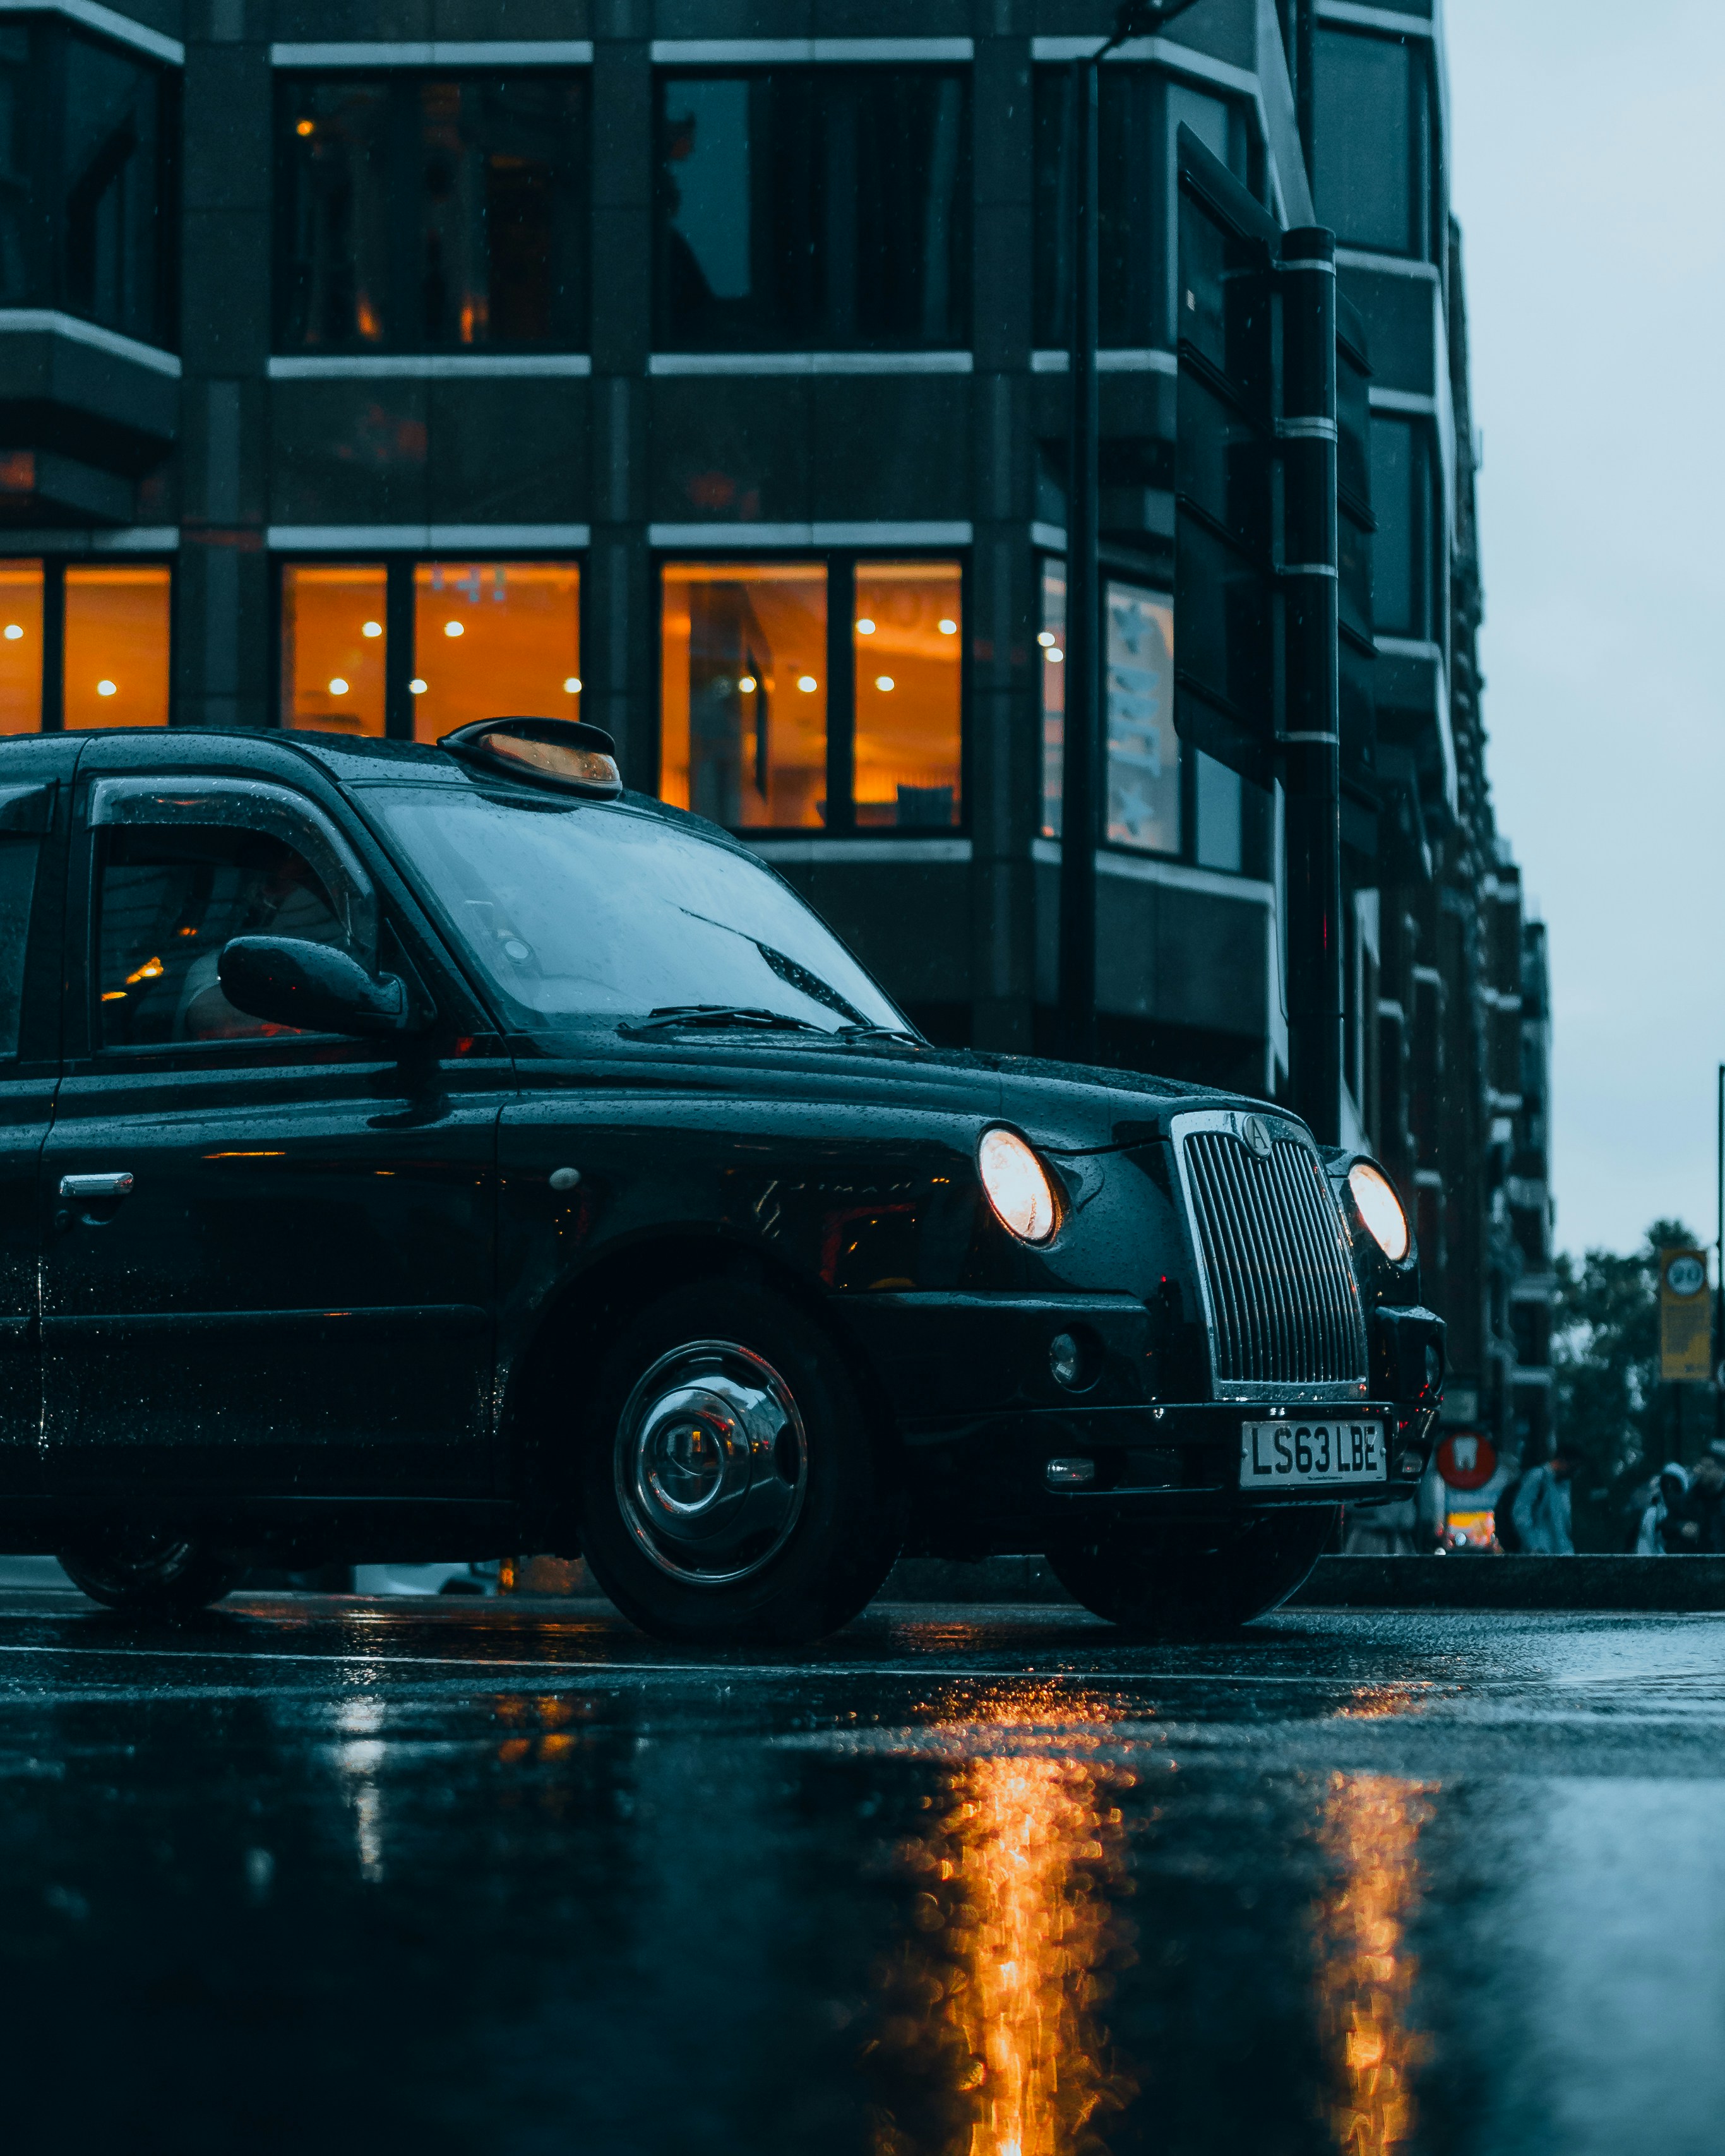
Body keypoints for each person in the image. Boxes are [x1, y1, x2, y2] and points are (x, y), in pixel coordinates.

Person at [1510, 1448, 1576, 1554]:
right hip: (1541, 1550)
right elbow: (1521, 1512)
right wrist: (1533, 1545)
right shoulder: (1538, 1477)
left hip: (1561, 1550)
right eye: (1572, 1467)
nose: (1573, 1472)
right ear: (1563, 1461)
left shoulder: (1564, 1483)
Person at [1674, 1454, 1725, 1553]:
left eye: (1709, 1468)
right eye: (1701, 1466)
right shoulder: (1692, 1496)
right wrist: (1682, 1526)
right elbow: (1672, 1520)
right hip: (1699, 1558)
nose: (1703, 1472)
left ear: (1722, 1469)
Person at [1636, 1462, 1689, 1555]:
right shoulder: (1652, 1514)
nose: (1669, 1489)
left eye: (1674, 1485)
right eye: (1666, 1485)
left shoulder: (1690, 1511)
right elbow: (1645, 1548)